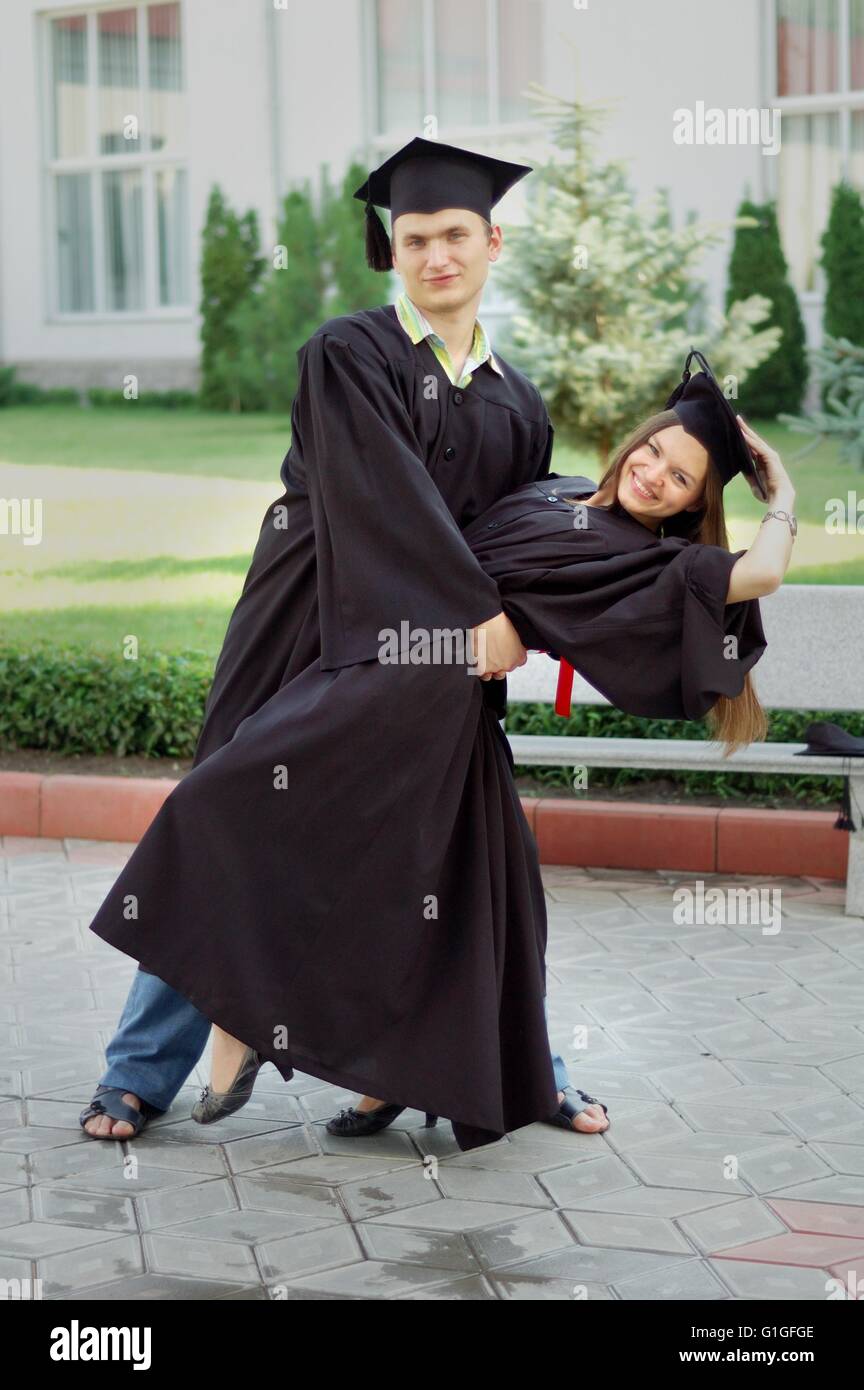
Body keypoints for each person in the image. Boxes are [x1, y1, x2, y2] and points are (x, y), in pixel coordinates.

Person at [84, 350, 792, 1152]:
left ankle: (371, 1056)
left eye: (682, 477)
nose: (655, 473)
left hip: (424, 713)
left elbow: (761, 575)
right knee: (242, 820)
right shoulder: (553, 490)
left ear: (697, 503)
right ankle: (262, 1045)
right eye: (655, 450)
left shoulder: (648, 561)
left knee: (460, 901)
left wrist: (784, 498)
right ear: (638, 438)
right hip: (369, 675)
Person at [80, 135, 606, 1145]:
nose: (437, 255)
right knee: (237, 818)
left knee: (468, 855)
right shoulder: (349, 354)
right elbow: (385, 502)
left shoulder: (516, 399)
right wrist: (478, 614)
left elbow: (519, 527)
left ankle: (522, 1068)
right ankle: (139, 1074)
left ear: (493, 243)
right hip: (307, 627)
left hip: (436, 662)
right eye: (416, 240)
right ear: (392, 251)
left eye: (456, 236)